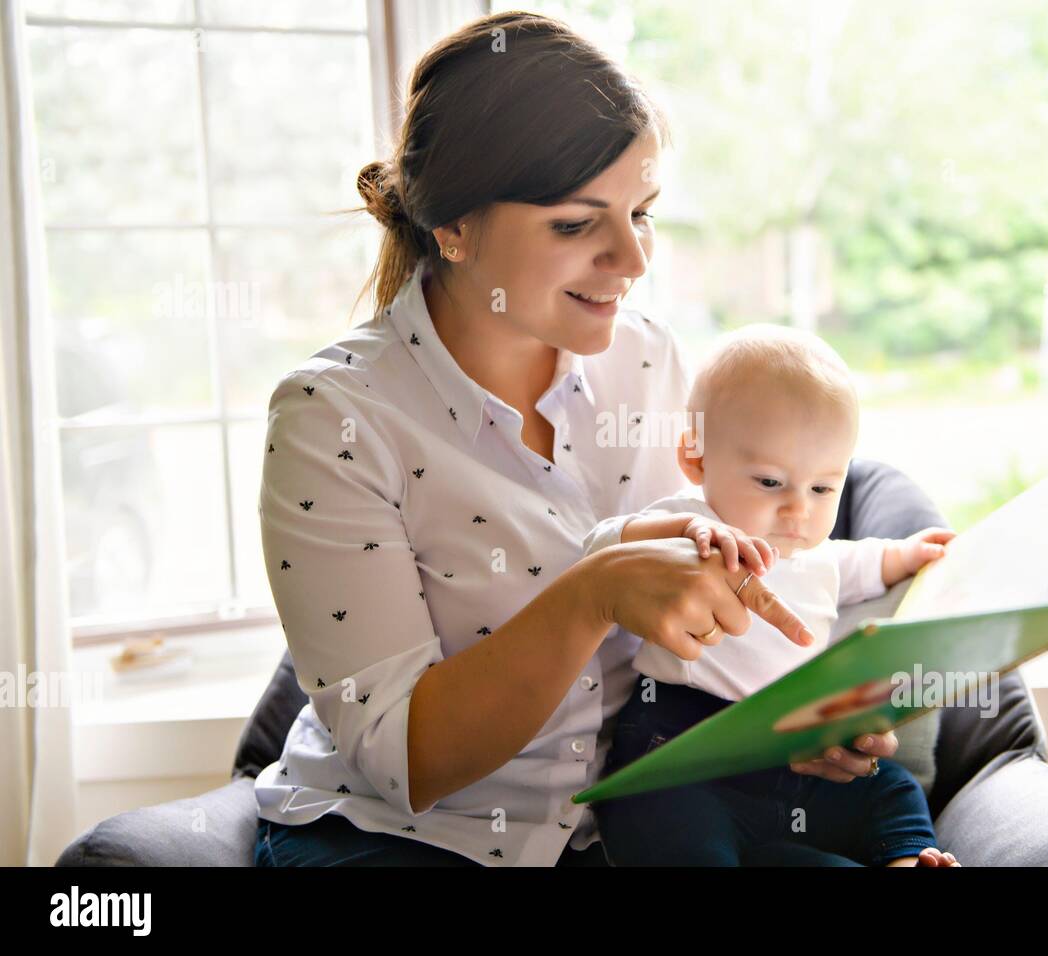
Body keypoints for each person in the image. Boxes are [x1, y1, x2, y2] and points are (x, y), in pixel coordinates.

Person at [254, 11, 905, 867]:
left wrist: (782, 727)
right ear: (451, 228)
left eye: (643, 212)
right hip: (399, 838)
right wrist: (591, 590)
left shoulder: (652, 360)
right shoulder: (331, 417)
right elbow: (405, 763)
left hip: (639, 823)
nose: (632, 259)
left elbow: (697, 644)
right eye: (575, 224)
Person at [583, 325, 960, 866]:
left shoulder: (818, 554)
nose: (798, 511)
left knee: (892, 787)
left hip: (796, 760)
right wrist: (677, 538)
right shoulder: (693, 525)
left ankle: (905, 858)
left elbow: (866, 564)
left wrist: (908, 554)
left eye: (823, 488)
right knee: (664, 819)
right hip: (682, 752)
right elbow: (597, 548)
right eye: (769, 482)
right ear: (696, 459)